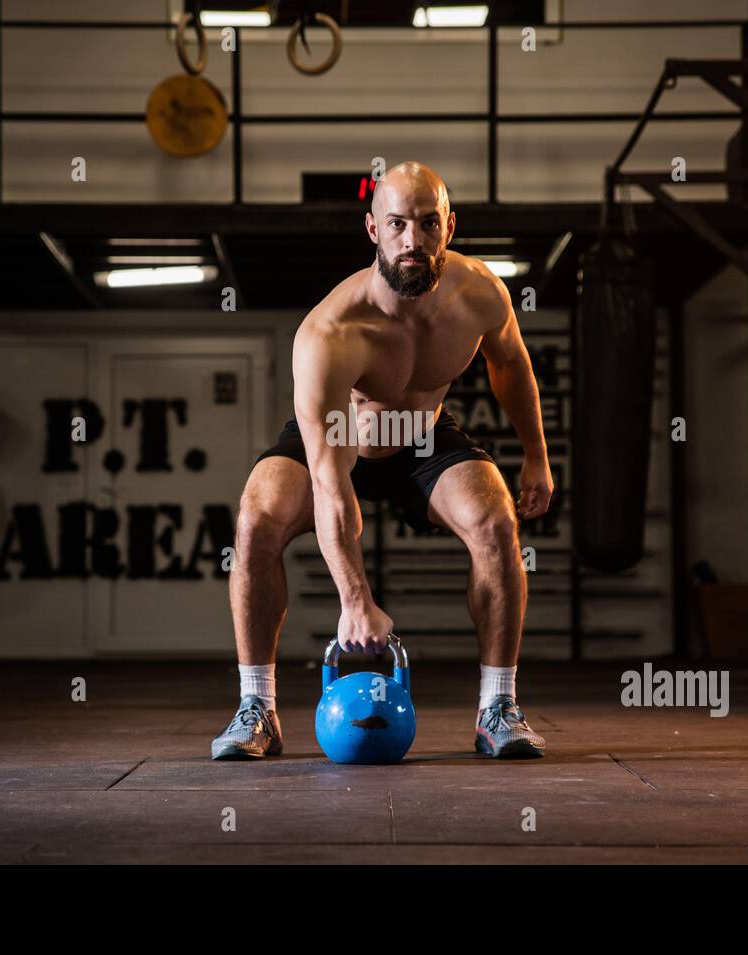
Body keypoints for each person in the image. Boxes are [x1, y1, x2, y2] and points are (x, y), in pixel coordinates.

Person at [212, 161, 553, 760]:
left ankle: (498, 708)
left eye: (427, 224)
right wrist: (355, 600)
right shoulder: (330, 331)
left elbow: (509, 364)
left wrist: (536, 456)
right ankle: (256, 707)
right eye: (397, 224)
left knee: (496, 521)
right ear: (373, 229)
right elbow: (329, 477)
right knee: (257, 519)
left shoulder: (480, 294)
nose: (412, 240)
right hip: (341, 436)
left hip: (423, 435)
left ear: (450, 226)